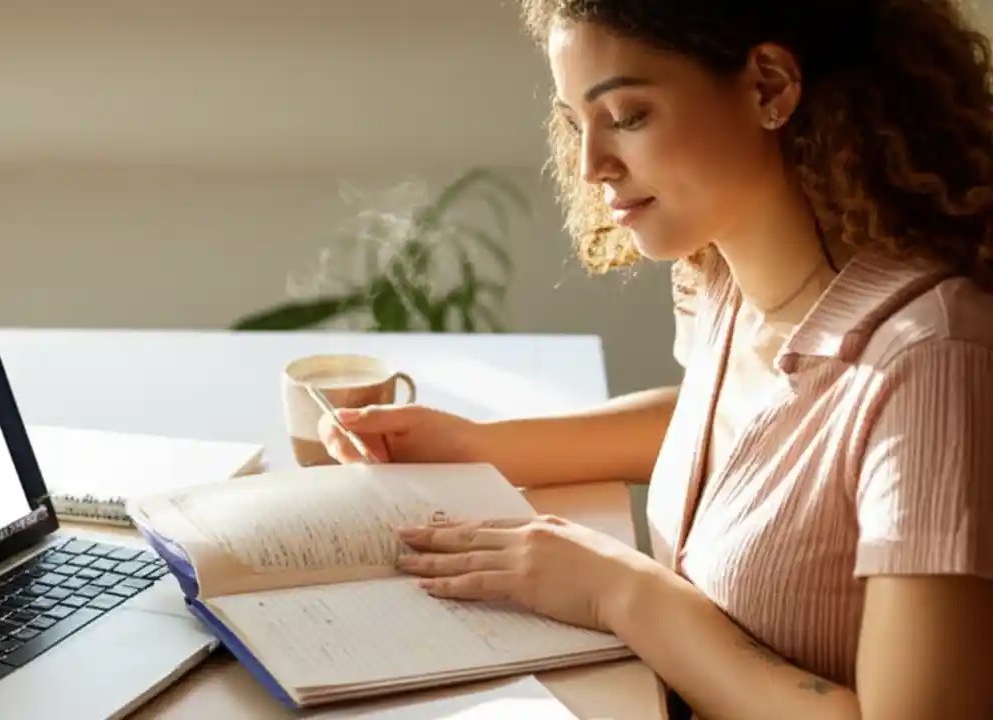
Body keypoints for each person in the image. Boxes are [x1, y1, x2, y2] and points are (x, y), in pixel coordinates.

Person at [318, 1, 993, 717]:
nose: (591, 167)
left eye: (629, 116)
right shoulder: (720, 270)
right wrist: (480, 446)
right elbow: (751, 435)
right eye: (577, 124)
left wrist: (622, 592)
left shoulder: (934, 363)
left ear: (769, 87)